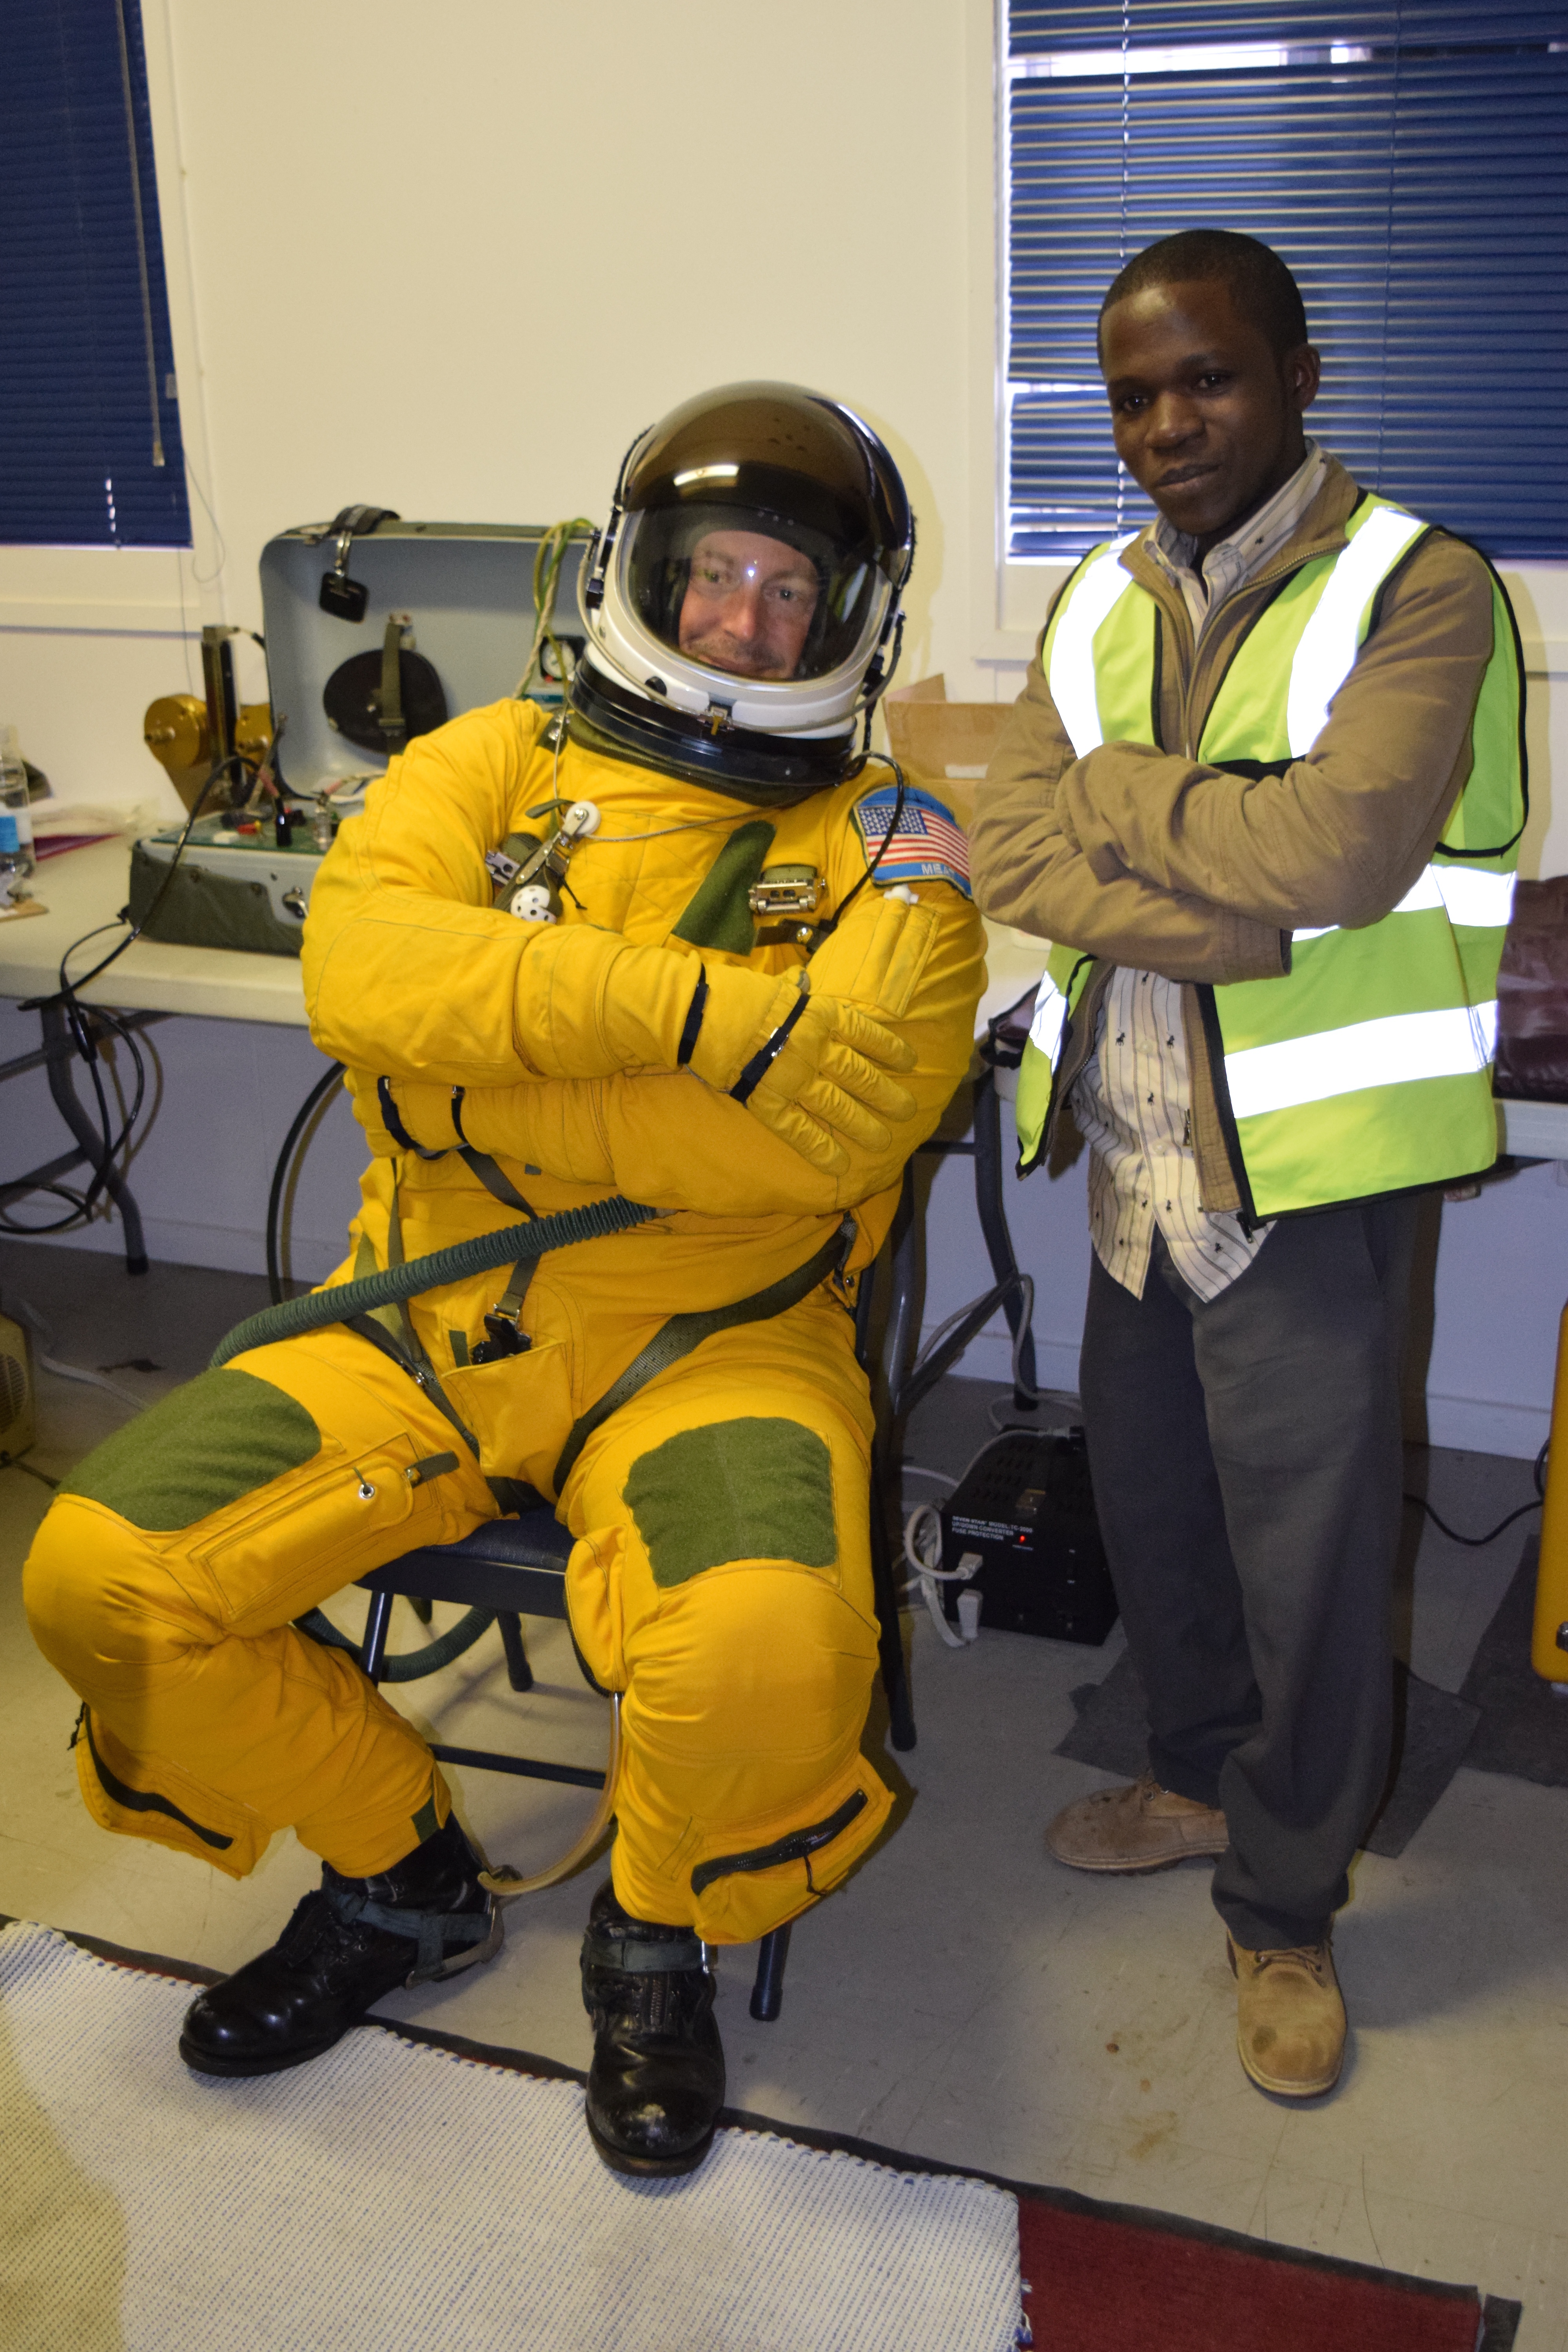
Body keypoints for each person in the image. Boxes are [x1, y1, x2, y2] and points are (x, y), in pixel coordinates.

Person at [24, 381, 984, 2176]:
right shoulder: (487, 765)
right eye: (715, 574)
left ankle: (650, 1930)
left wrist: (477, 1085)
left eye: (793, 591)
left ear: (853, 620)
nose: (744, 622)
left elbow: (825, 1149)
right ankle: (399, 1877)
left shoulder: (895, 851)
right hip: (421, 1319)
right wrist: (698, 1018)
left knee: (773, 1636)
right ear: (644, 573)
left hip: (716, 1344)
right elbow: (362, 970)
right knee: (102, 1575)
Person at [971, 232, 1523, 2099]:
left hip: (1304, 1165)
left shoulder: (1423, 591)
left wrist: (1123, 810)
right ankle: (1198, 1777)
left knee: (1311, 1555)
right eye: (1133, 393)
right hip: (1131, 1144)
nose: (1165, 424)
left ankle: (1286, 1903)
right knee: (1158, 1507)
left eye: (1204, 377)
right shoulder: (1094, 600)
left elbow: (1334, 865)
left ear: (1297, 367)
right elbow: (1008, 850)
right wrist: (1204, 889)